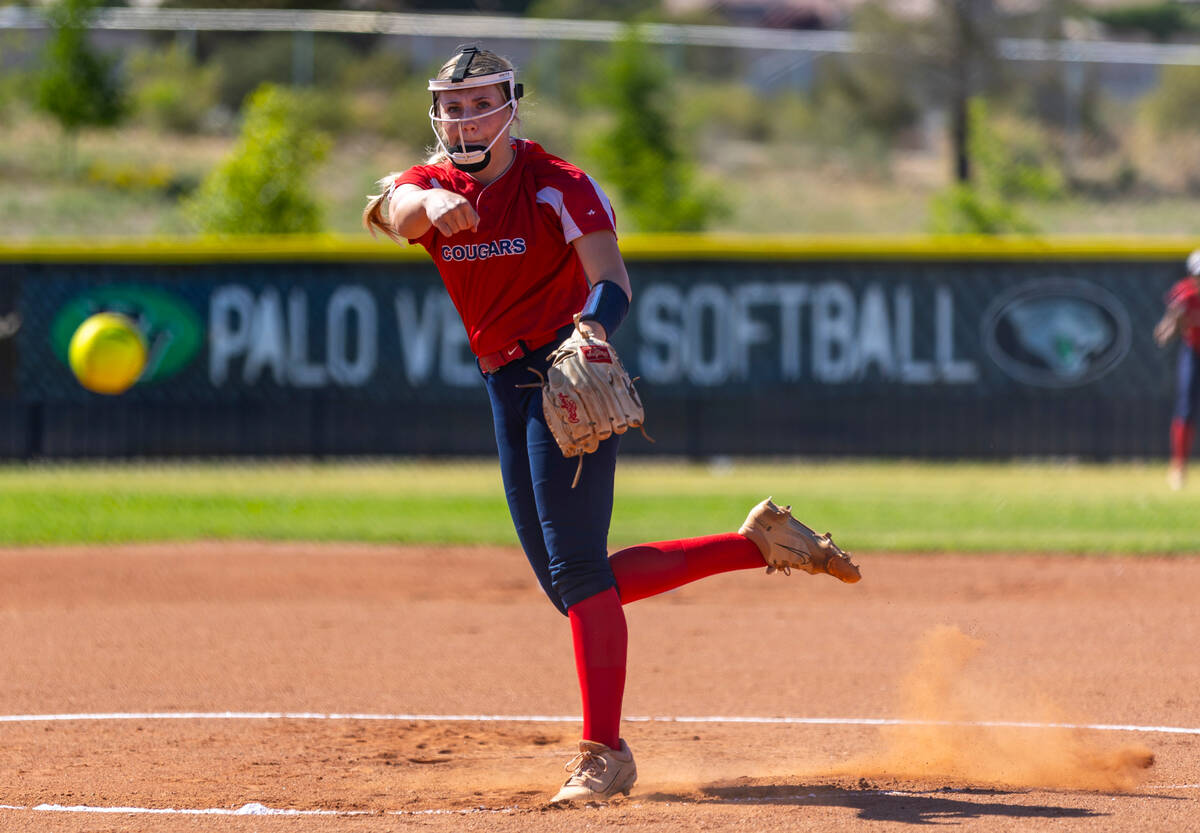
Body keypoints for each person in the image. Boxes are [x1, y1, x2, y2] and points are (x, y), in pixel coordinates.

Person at [363, 45, 861, 803]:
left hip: (564, 374)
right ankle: (753, 542)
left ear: (512, 105)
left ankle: (606, 753)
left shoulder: (557, 184)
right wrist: (425, 205)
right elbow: (395, 209)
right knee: (570, 587)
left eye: (480, 103)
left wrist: (592, 329)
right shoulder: (431, 185)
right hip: (502, 383)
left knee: (581, 573)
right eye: (451, 106)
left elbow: (611, 280)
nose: (464, 118)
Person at [1154, 249, 1200, 490]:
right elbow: (1165, 331)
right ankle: (1178, 467)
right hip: (1193, 350)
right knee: (1185, 407)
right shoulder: (1185, 294)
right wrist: (1172, 323)